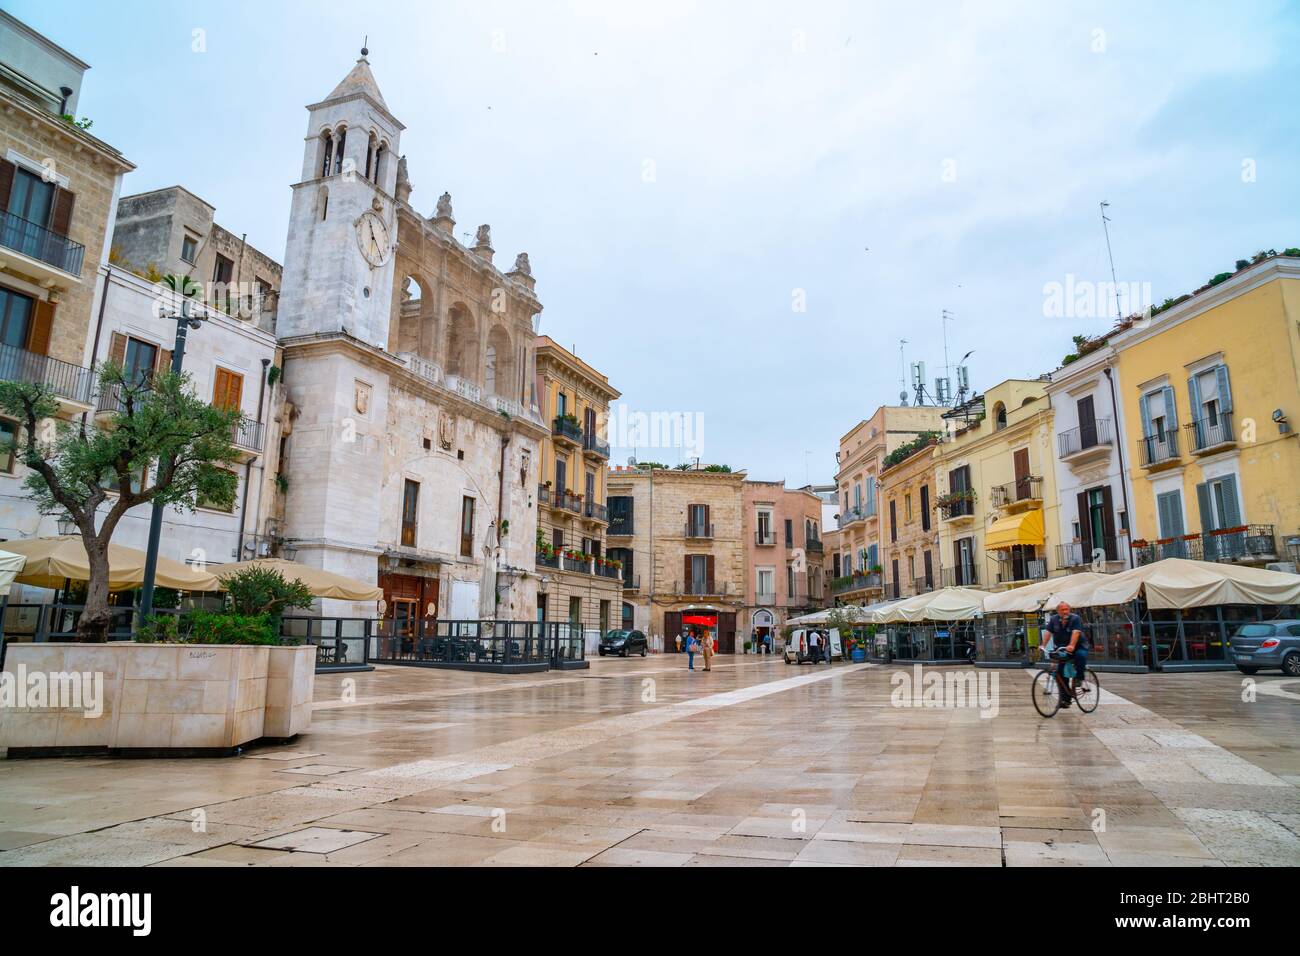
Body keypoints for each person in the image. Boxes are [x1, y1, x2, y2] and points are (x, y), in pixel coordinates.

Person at [1045, 601, 1087, 707]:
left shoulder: (1075, 618)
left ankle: (1079, 678)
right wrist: (1042, 645)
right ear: (1058, 611)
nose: (1065, 612)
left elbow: (1076, 632)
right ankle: (1066, 699)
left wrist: (1072, 645)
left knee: (1080, 656)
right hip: (1062, 648)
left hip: (1078, 646)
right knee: (1060, 673)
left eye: (1067, 609)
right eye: (1063, 610)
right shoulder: (1054, 619)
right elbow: (1048, 632)